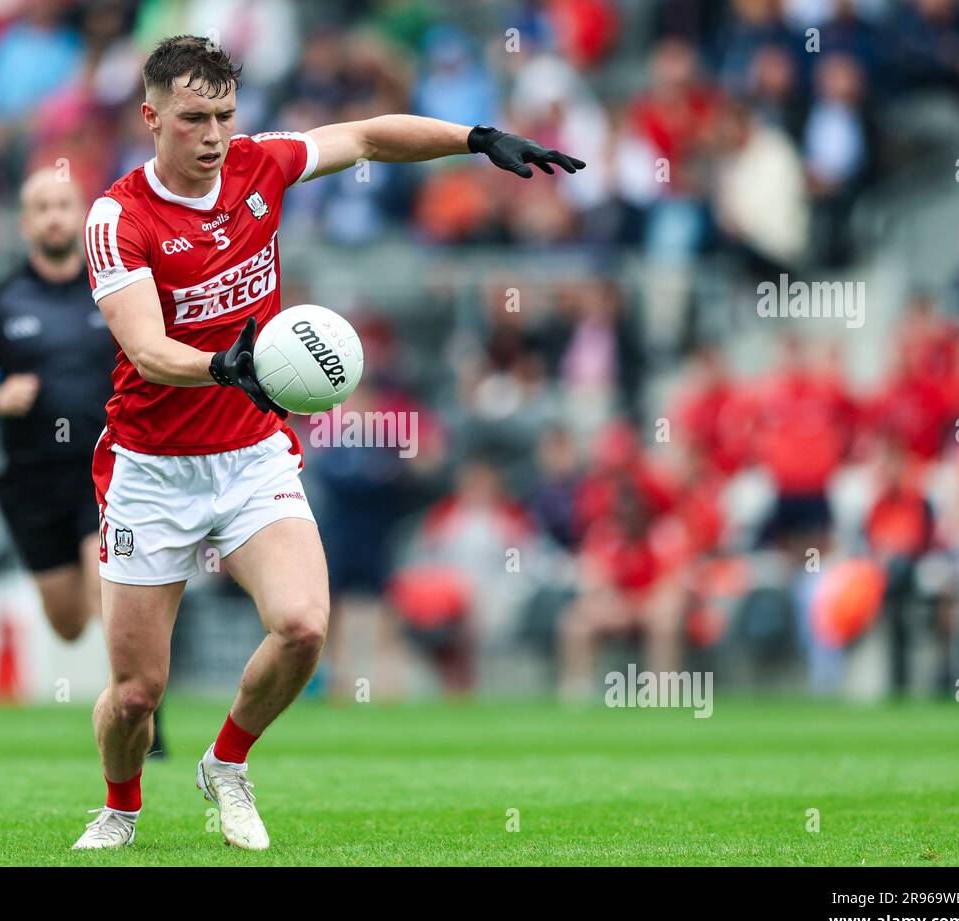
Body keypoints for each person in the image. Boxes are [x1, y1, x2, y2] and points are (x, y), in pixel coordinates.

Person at [72, 34, 584, 851]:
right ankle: (120, 807)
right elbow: (145, 352)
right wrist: (227, 364)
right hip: (151, 469)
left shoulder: (258, 165)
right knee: (136, 694)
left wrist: (476, 138)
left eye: (225, 116)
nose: (212, 135)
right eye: (193, 118)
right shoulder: (116, 218)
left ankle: (227, 763)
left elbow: (370, 135)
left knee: (305, 624)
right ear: (151, 116)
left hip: (250, 453)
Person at [0, 169, 167, 755]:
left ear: (82, 215)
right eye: (41, 207)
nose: (53, 216)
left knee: (106, 583)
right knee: (68, 621)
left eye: (63, 205)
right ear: (25, 222)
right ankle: (137, 697)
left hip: (107, 468)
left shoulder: (114, 285)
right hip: (31, 477)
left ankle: (145, 718)